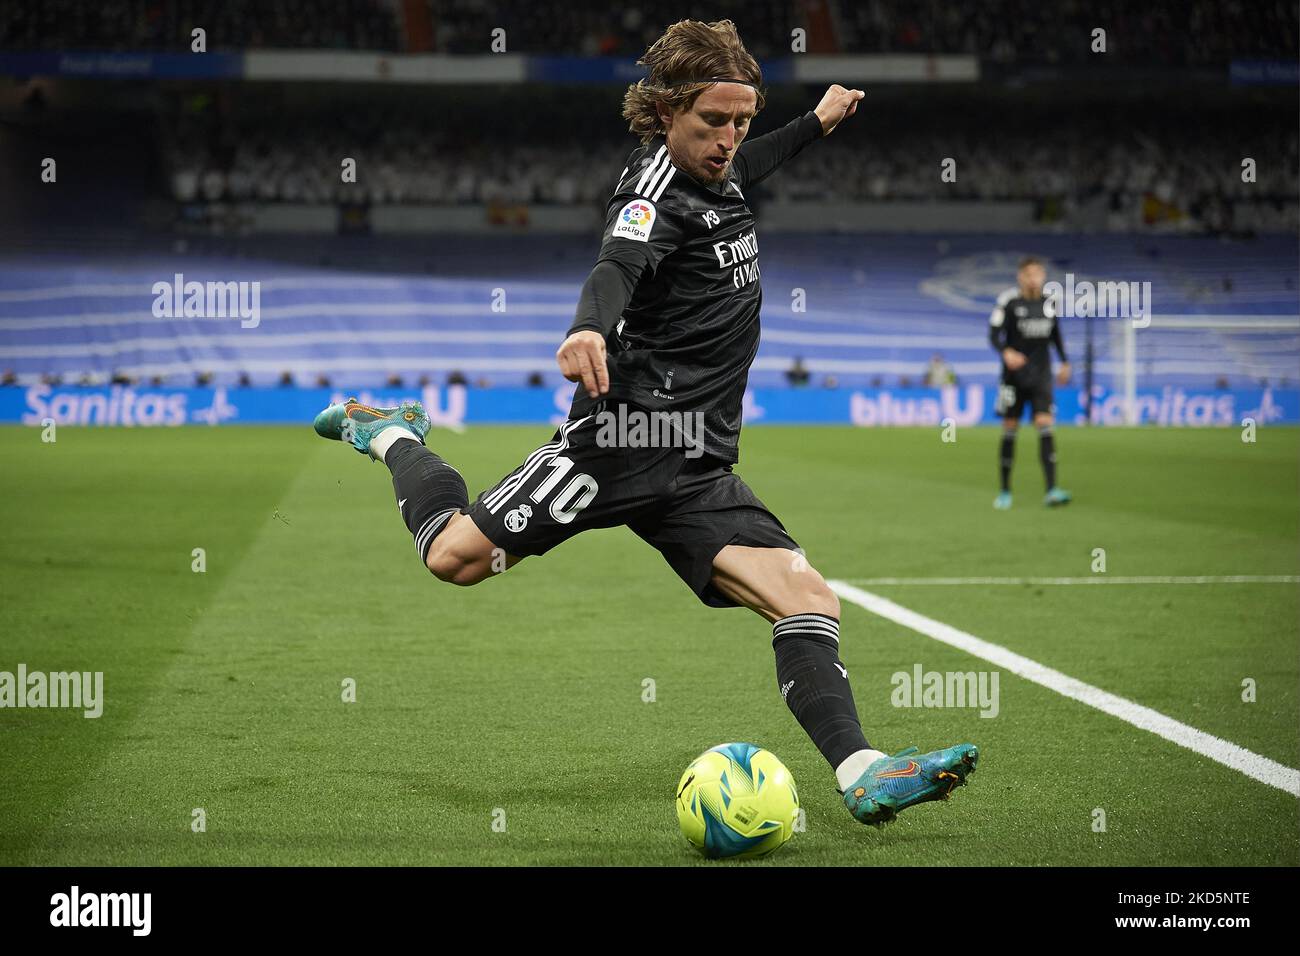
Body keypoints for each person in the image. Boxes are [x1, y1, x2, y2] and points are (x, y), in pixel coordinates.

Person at [313, 19, 975, 832]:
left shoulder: (721, 171)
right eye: (712, 123)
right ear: (666, 113)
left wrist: (815, 125)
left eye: (740, 119)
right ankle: (389, 433)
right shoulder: (651, 191)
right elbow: (616, 265)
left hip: (697, 462)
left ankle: (864, 770)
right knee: (453, 558)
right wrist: (589, 328)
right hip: (625, 443)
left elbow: (751, 165)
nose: (730, 139)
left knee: (808, 600)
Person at [989, 256, 1072, 509]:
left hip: (1041, 375)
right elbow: (993, 334)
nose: (1034, 278)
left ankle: (1052, 490)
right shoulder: (1009, 302)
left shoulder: (1050, 303)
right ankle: (1004, 491)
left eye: (1038, 273)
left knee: (1044, 423)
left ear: (1043, 276)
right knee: (1010, 427)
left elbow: (1056, 334)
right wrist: (1006, 352)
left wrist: (1065, 362)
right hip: (1013, 377)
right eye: (1029, 274)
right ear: (1020, 277)